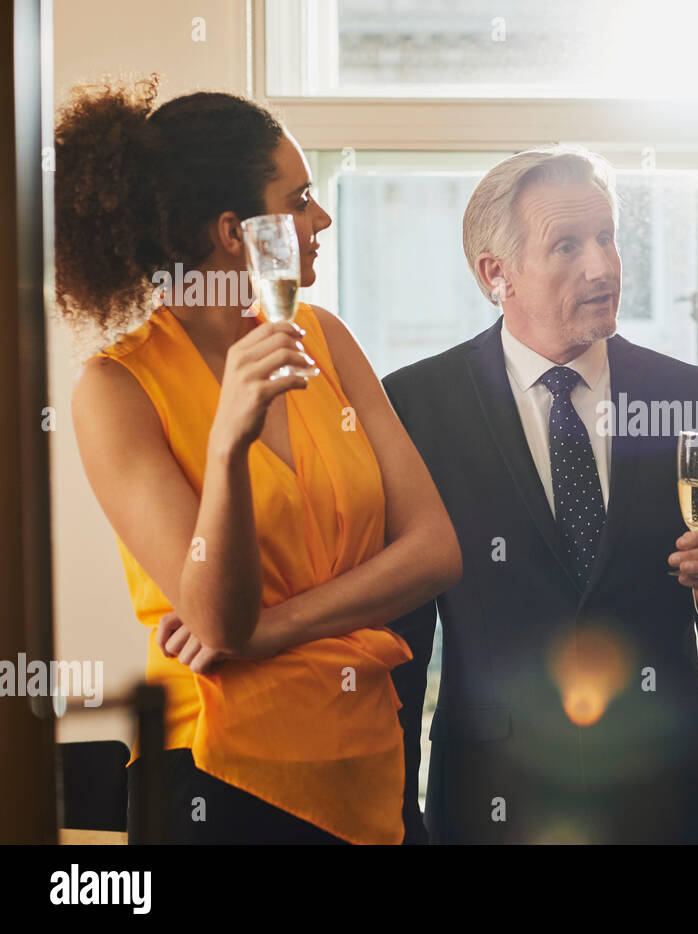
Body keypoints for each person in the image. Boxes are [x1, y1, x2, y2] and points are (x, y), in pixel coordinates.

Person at [56, 76, 462, 844]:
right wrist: (228, 443)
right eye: (300, 199)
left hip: (369, 759)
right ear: (233, 232)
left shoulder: (328, 338)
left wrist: (272, 632)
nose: (322, 217)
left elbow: (435, 551)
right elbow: (214, 616)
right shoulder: (116, 388)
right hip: (216, 780)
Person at [383, 145, 698, 844]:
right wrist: (396, 821)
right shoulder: (417, 406)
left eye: (606, 238)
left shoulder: (691, 398)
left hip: (667, 800)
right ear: (495, 275)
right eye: (567, 245)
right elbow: (401, 645)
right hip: (490, 803)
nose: (601, 266)